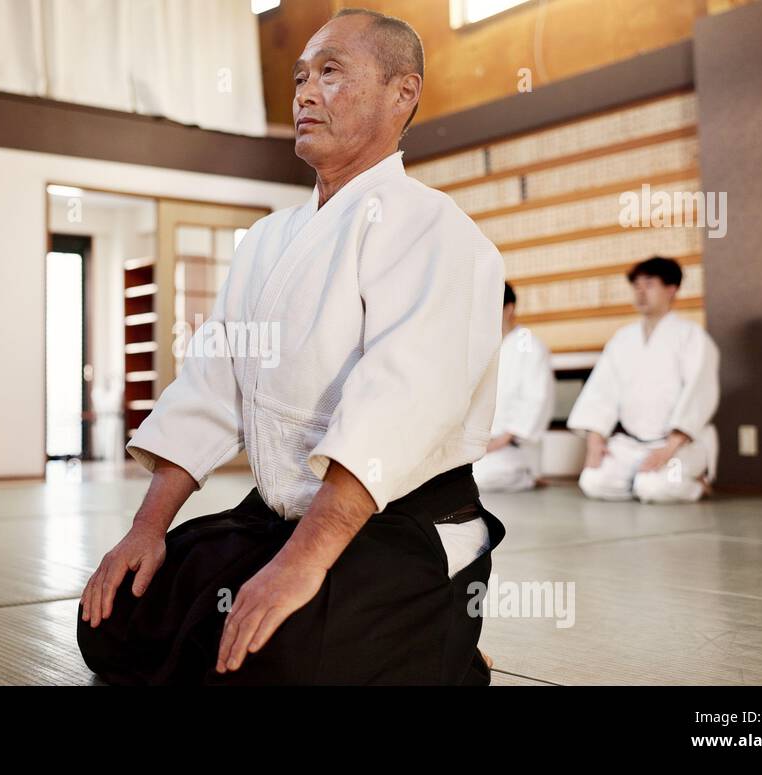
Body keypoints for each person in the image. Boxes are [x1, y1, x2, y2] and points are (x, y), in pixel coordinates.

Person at [76, 8, 507, 685]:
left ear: (403, 93)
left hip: (399, 523)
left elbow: (400, 403)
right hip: (282, 514)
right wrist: (145, 527)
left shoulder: (438, 231)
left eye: (330, 73)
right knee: (113, 621)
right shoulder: (268, 242)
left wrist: (303, 561)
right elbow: (210, 386)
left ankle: (445, 636)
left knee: (278, 660)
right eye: (301, 76)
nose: (304, 92)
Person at [567, 256, 720, 503]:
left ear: (671, 289)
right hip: (631, 445)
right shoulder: (622, 339)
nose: (640, 292)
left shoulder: (693, 337)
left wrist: (669, 448)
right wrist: (595, 443)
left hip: (679, 445)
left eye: (649, 285)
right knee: (592, 481)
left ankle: (697, 486)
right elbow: (600, 392)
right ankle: (638, 482)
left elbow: (699, 395)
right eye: (636, 286)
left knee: (654, 488)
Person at [473, 283, 555, 493]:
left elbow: (536, 400)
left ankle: (528, 476)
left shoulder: (528, 345)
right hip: (481, 444)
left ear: (508, 309)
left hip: (514, 446)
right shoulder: (484, 347)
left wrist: (500, 441)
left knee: (479, 476)